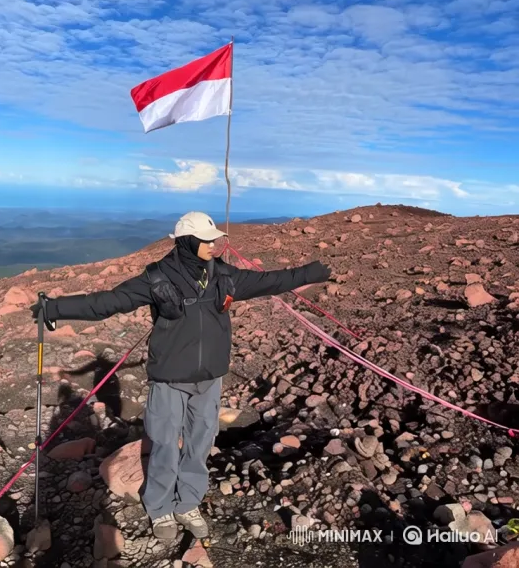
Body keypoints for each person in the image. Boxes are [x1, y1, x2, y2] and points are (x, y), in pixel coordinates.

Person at [30, 212, 331, 541]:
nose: (214, 244)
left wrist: (311, 272)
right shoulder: (157, 278)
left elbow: (270, 281)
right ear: (188, 242)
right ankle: (159, 509)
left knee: (200, 444)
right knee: (164, 445)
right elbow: (107, 303)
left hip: (209, 379)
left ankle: (188, 502)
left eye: (214, 238)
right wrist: (56, 308)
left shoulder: (224, 276)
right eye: (207, 240)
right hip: (170, 379)